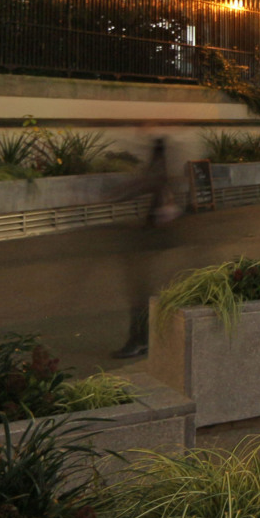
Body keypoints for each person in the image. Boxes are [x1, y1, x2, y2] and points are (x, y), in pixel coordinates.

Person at [112, 137, 179, 359]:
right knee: (143, 293)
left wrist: (120, 194)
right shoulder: (164, 169)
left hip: (151, 244)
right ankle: (142, 339)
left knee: (141, 293)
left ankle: (139, 340)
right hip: (153, 242)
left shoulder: (159, 169)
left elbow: (149, 184)